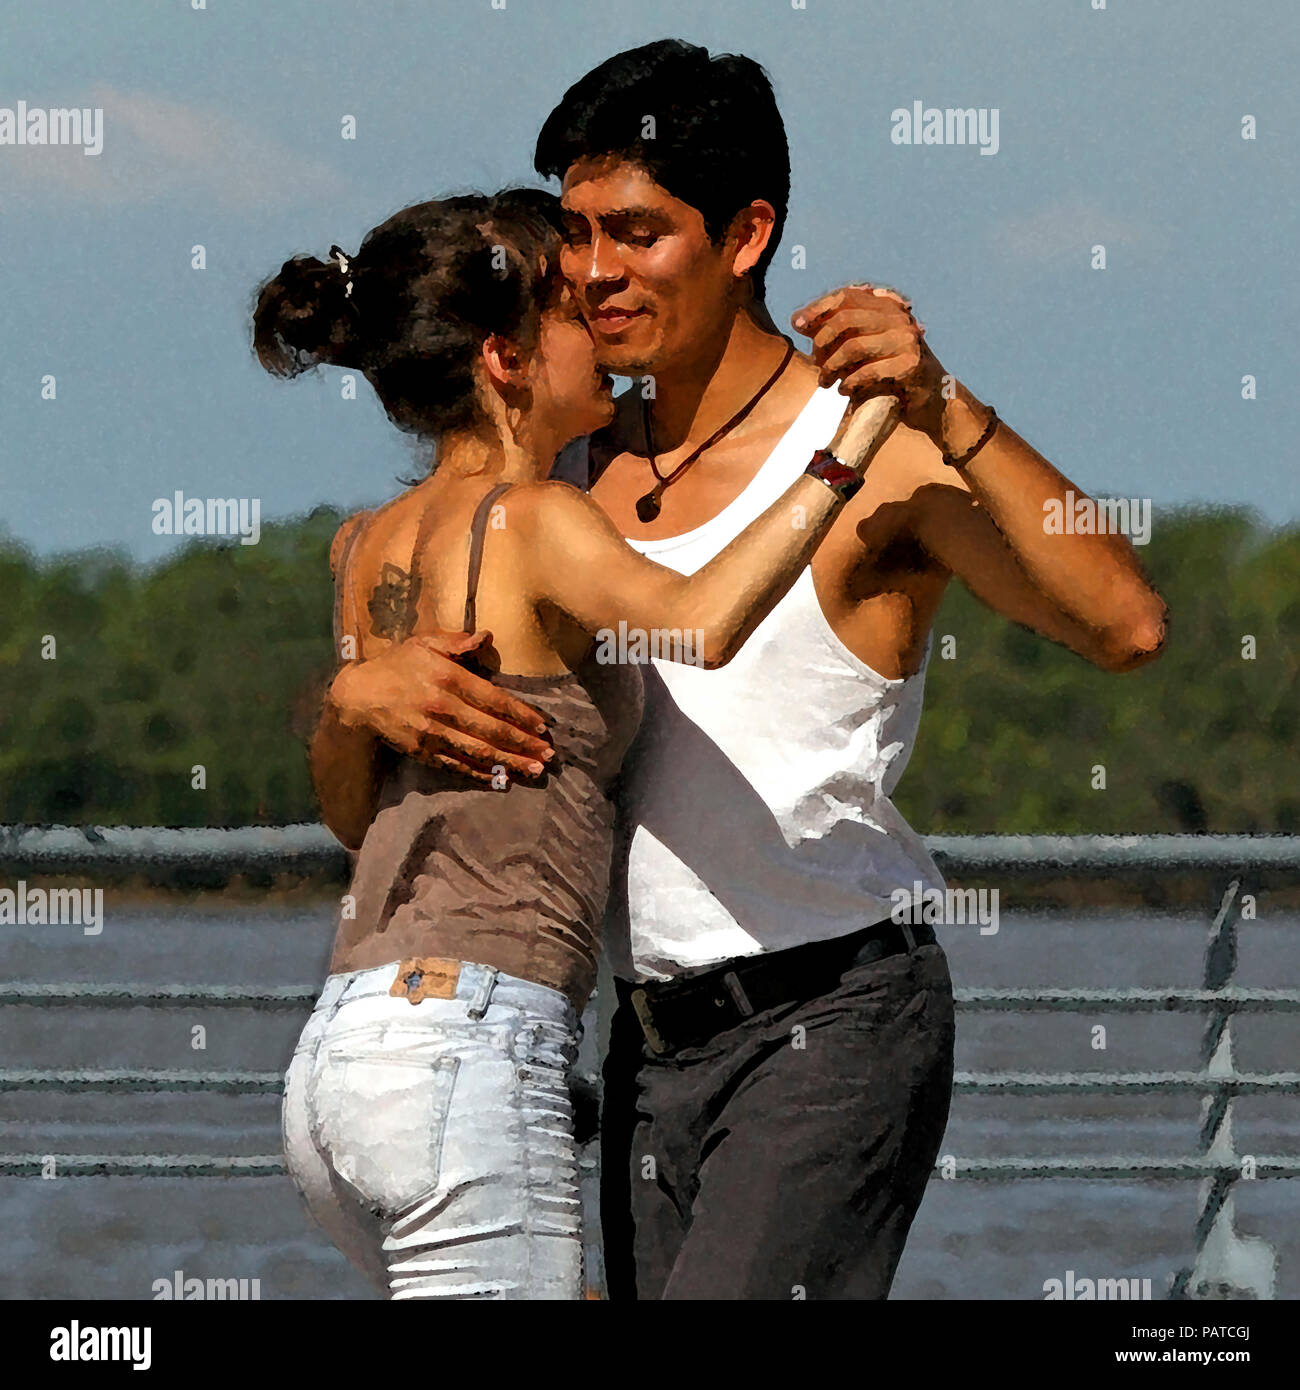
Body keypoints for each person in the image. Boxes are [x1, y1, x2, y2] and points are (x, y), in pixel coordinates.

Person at [317, 40, 1170, 1300]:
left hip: (830, 1022)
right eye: (577, 236)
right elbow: (376, 776)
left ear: (747, 233)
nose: (596, 272)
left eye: (639, 232)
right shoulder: (555, 466)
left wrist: (948, 406)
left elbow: (1125, 623)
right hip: (632, 1048)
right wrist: (346, 697)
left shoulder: (865, 441)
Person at [258, 188, 896, 1299]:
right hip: (470, 1043)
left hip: (341, 1059)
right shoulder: (537, 519)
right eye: (566, 309)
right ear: (505, 358)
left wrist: (348, 696)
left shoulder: (362, 546)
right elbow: (695, 622)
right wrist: (846, 454)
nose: (599, 324)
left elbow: (356, 816)